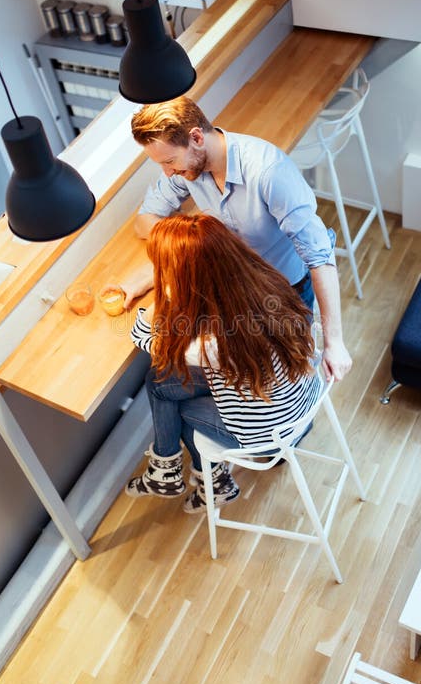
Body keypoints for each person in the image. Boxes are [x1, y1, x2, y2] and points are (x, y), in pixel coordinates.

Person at [123, 96, 352, 383]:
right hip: (233, 284)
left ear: (196, 137)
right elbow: (144, 220)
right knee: (239, 369)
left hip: (284, 289)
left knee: (290, 369)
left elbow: (320, 258)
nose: (168, 173)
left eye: (169, 161)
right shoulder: (187, 168)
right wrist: (181, 247)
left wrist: (334, 343)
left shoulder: (269, 172)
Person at [126, 213, 323, 513]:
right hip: (296, 399)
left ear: (186, 278)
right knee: (161, 380)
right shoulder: (265, 281)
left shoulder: (209, 342)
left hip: (267, 433)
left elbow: (144, 337)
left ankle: (205, 481)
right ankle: (167, 469)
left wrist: (165, 292)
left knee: (170, 396)